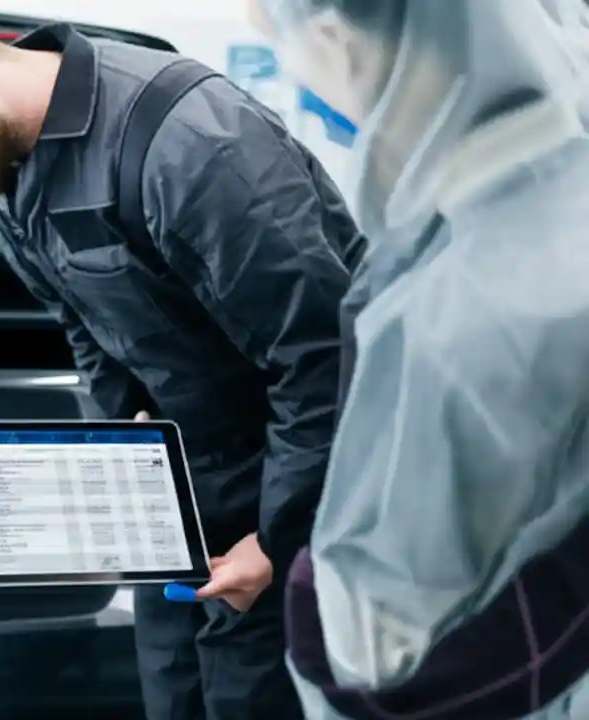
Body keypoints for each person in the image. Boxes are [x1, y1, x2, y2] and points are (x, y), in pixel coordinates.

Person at [0, 1, 365, 717]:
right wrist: (122, 452)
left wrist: (281, 539)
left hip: (294, 500)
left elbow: (326, 356)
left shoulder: (190, 146)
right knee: (175, 695)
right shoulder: (2, 170)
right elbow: (85, 325)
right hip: (183, 515)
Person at [247, 1, 589, 717]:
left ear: (334, 39)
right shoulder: (556, 157)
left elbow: (378, 645)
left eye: (282, 46)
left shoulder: (469, 306)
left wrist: (314, 598)